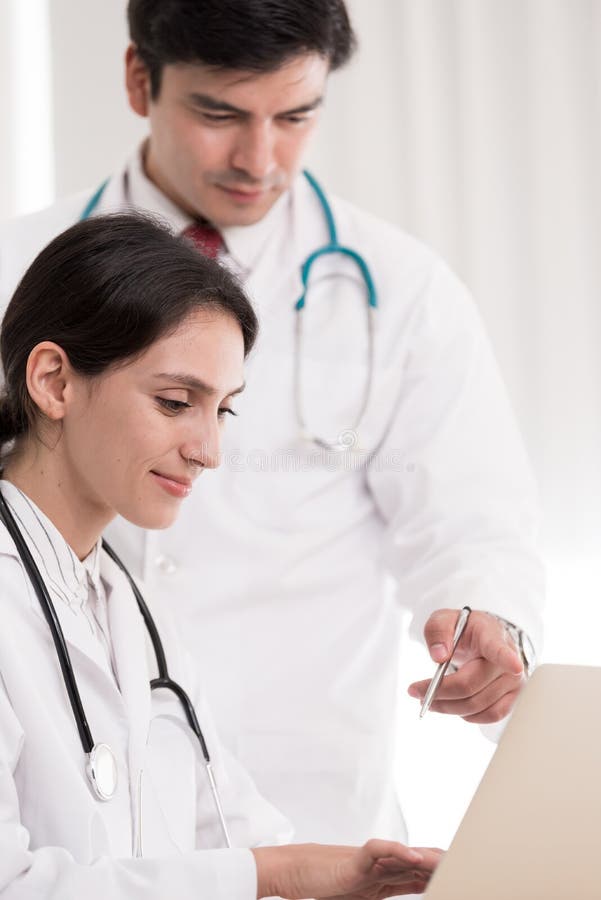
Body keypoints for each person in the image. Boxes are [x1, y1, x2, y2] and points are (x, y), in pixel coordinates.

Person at [0, 0, 544, 846]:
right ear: (139, 80)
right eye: (218, 114)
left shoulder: (401, 295)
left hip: (314, 808)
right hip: (80, 812)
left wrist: (484, 622)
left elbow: (475, 525)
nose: (260, 159)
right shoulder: (17, 267)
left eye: (295, 117)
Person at [0, 212, 440, 898]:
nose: (209, 450)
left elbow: (230, 834)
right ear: (55, 381)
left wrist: (330, 873)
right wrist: (274, 874)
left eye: (223, 410)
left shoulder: (134, 615)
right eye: (176, 402)